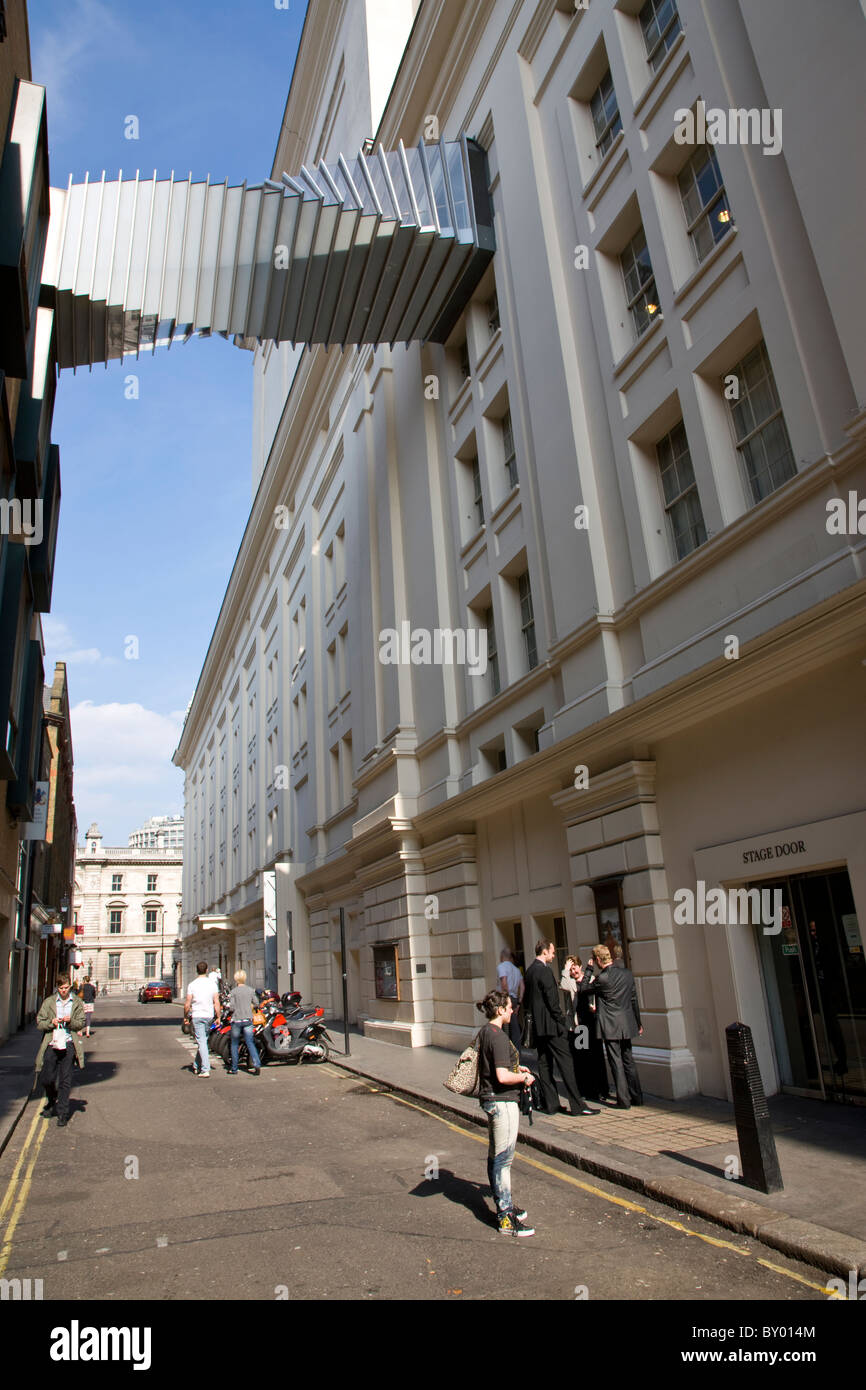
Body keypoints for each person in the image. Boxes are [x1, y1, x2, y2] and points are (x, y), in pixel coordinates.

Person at [476, 990, 535, 1236]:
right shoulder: (498, 1036)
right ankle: (505, 1217)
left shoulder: (486, 1032)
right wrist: (523, 1076)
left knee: (495, 1156)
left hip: (492, 1099)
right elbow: (501, 1076)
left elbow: (494, 1067)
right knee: (503, 1160)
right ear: (500, 1010)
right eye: (509, 1007)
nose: (512, 1011)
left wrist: (515, 1067)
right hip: (502, 1102)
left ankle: (505, 1204)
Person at [524, 941, 598, 1117]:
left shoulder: (530, 971)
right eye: (552, 951)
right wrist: (562, 1022)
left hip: (539, 1028)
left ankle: (552, 1105)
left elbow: (527, 1000)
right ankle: (578, 1106)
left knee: (544, 1065)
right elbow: (553, 1001)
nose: (554, 955)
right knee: (566, 1064)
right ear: (544, 952)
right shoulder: (545, 971)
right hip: (552, 1027)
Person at [577, 944, 643, 1108]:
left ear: (598, 960)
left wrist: (589, 970)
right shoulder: (627, 974)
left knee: (616, 1061)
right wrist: (638, 1022)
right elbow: (634, 1000)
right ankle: (637, 1098)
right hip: (627, 1022)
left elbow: (583, 989)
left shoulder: (603, 978)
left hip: (610, 1024)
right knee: (629, 1060)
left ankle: (624, 1100)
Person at [35, 974, 85, 1127]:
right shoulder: (49, 1002)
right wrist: (51, 1022)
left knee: (65, 1080)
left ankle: (62, 1113)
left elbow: (81, 1023)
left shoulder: (76, 1002)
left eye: (67, 988)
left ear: (70, 986)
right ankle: (52, 1099)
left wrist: (71, 1022)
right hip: (52, 1043)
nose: (64, 991)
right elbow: (39, 1022)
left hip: (69, 1044)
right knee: (46, 1078)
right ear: (57, 988)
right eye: (62, 988)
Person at [184, 961, 221, 1077]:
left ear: (196, 970)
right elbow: (216, 1002)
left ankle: (205, 1069)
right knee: (203, 1041)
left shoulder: (192, 985)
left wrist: (185, 1016)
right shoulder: (212, 984)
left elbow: (187, 1003)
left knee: (202, 1042)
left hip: (197, 1015)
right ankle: (196, 1065)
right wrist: (218, 1016)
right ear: (206, 970)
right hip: (209, 1015)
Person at [226, 970, 261, 1076]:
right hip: (248, 1020)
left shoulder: (234, 991)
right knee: (250, 1042)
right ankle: (257, 1063)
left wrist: (232, 1011)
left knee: (234, 1044)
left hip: (237, 1019)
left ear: (236, 979)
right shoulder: (250, 990)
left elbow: (231, 1007)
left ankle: (234, 1068)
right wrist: (250, 1007)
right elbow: (256, 1003)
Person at [497, 948, 524, 1050]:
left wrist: (505, 998)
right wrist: (519, 1002)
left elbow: (504, 982)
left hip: (505, 998)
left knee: (502, 1025)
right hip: (515, 998)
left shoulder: (501, 967)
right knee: (514, 1026)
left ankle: (505, 1051)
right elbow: (522, 986)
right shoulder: (516, 969)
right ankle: (517, 1052)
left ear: (502, 957)